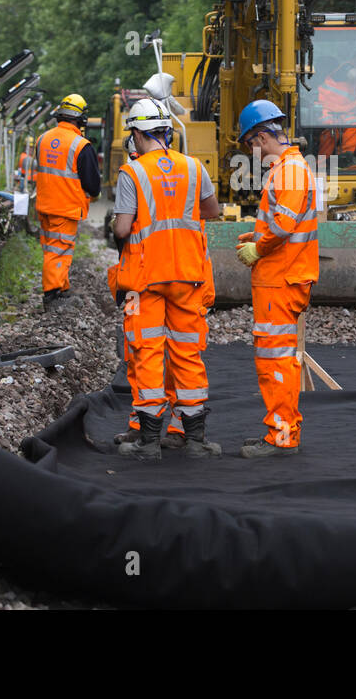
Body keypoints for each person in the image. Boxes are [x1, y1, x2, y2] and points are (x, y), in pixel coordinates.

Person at [112, 98, 221, 460]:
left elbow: (124, 227)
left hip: (145, 280)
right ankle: (195, 440)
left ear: (139, 134)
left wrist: (116, 228)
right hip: (189, 276)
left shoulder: (133, 173)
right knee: (188, 354)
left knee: (147, 354)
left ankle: (148, 442)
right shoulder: (193, 167)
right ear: (167, 132)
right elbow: (212, 211)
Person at [234, 100, 319, 457]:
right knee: (275, 357)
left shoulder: (289, 171)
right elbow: (282, 224)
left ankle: (282, 436)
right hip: (282, 276)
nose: (252, 153)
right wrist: (255, 240)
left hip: (280, 280)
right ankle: (280, 431)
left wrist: (259, 248)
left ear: (260, 137)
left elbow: (282, 226)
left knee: (276, 360)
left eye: (250, 144)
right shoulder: (289, 168)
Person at [34, 94, 100, 310]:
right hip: (65, 207)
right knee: (59, 250)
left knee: (51, 249)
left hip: (44, 205)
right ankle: (52, 295)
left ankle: (62, 287)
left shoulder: (42, 139)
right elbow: (92, 184)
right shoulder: (81, 145)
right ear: (80, 119)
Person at [315, 55, 356, 166]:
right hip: (326, 106)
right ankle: (320, 163)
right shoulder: (345, 67)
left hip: (345, 111)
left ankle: (344, 158)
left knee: (355, 125)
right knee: (331, 130)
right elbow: (352, 74)